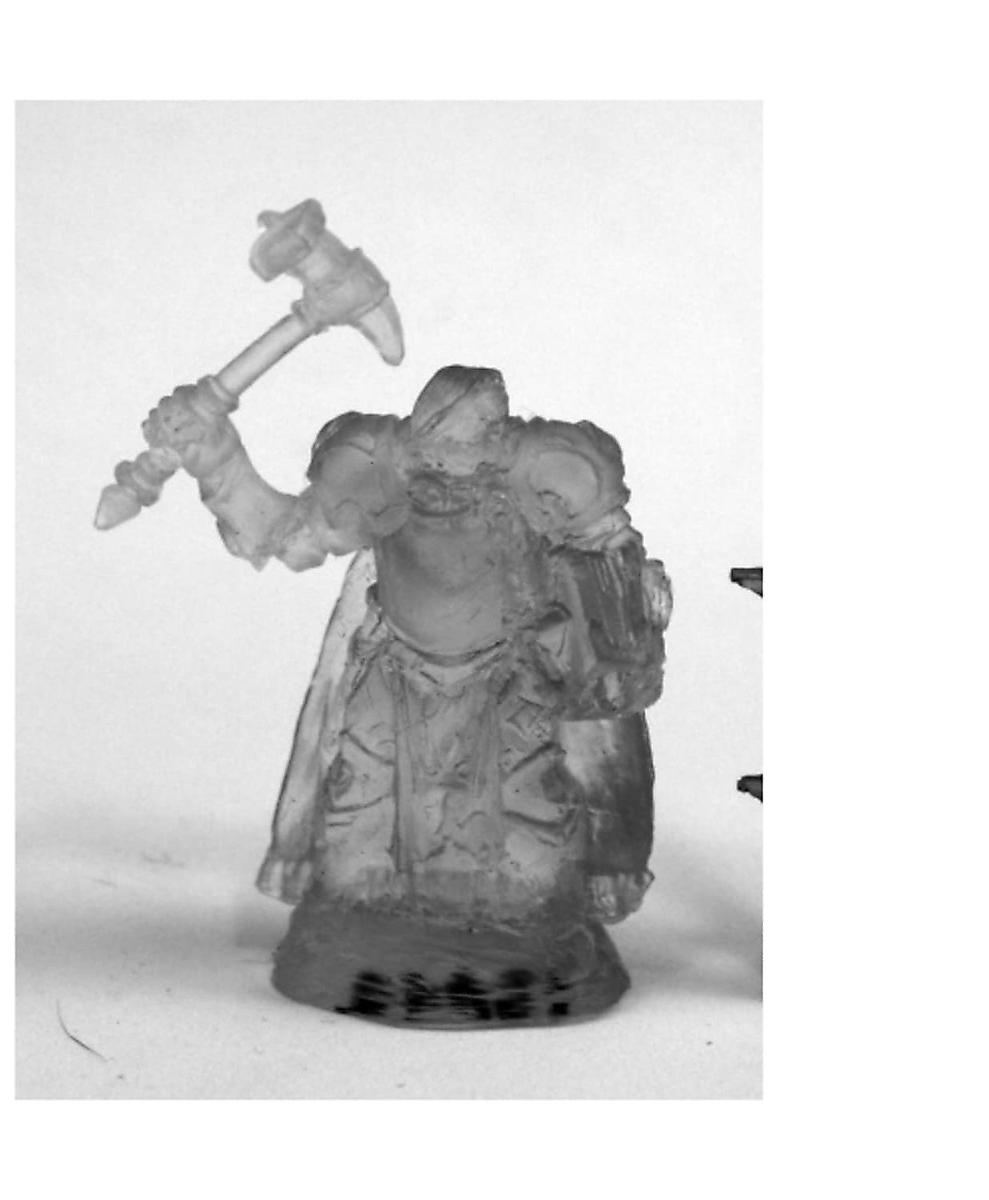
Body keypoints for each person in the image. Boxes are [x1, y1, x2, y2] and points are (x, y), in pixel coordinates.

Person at [146, 365, 672, 1025]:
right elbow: (285, 534)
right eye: (433, 468)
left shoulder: (548, 473)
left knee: (531, 865)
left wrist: (625, 620)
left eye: (467, 465)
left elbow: (611, 555)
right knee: (359, 858)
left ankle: (516, 941)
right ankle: (377, 930)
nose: (445, 489)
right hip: (393, 690)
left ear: (499, 453)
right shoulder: (377, 471)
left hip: (510, 692)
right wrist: (217, 458)